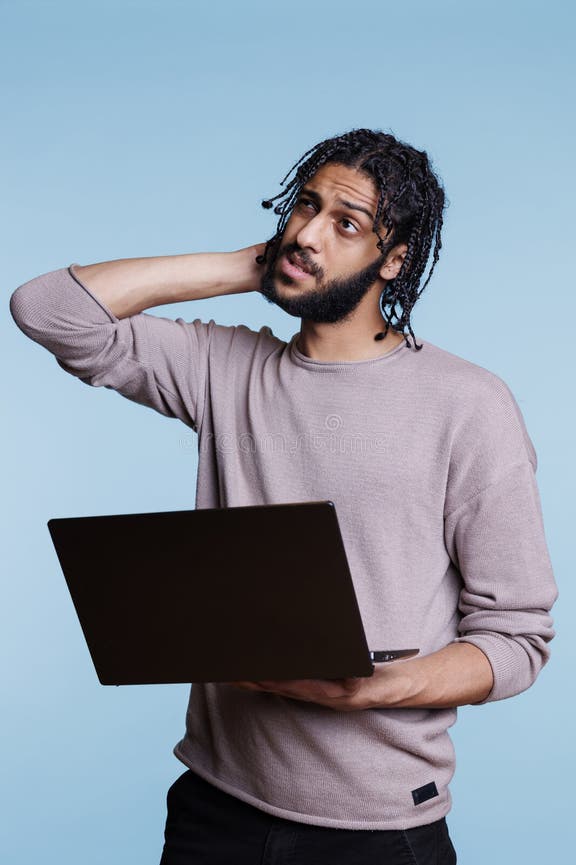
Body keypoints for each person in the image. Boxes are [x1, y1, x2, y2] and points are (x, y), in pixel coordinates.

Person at [9, 127, 558, 864]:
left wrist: (377, 689)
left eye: (347, 223)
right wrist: (255, 266)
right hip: (214, 806)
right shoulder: (222, 366)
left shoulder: (469, 404)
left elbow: (516, 637)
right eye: (304, 206)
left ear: (394, 261)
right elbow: (47, 310)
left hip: (380, 830)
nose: (307, 232)